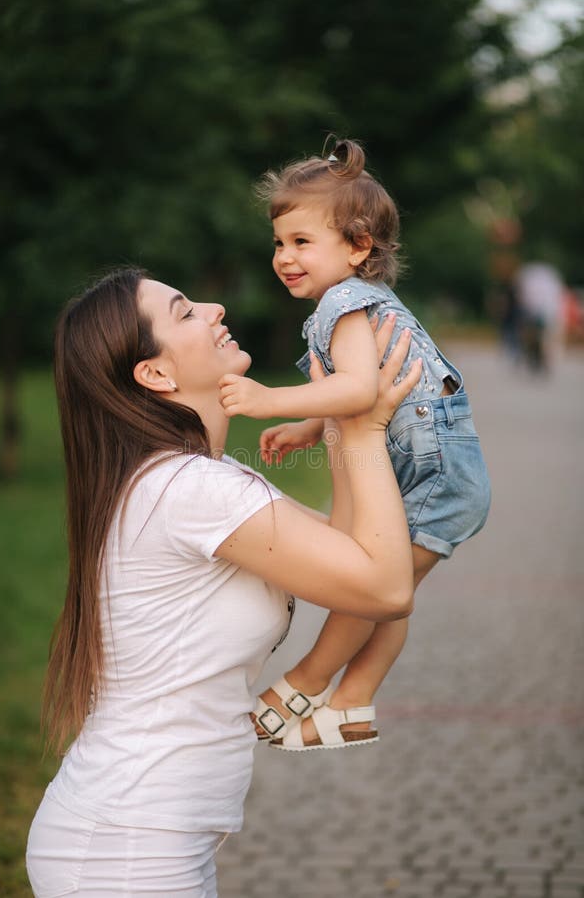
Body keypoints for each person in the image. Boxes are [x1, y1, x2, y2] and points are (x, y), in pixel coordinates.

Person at [26, 267, 421, 896]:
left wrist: (342, 415)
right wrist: (367, 429)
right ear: (155, 375)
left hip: (147, 837)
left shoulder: (199, 480)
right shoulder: (193, 492)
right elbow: (386, 588)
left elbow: (354, 554)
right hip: (126, 850)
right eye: (184, 313)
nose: (212, 307)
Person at [218, 138, 491, 751]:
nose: (284, 257)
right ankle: (352, 703)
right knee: (386, 599)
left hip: (433, 478)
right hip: (429, 474)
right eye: (279, 243)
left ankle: (304, 682)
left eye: (301, 242)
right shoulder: (343, 306)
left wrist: (268, 400)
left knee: (371, 595)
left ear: (359, 246)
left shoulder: (344, 302)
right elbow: (353, 389)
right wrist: (309, 426)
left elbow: (358, 387)